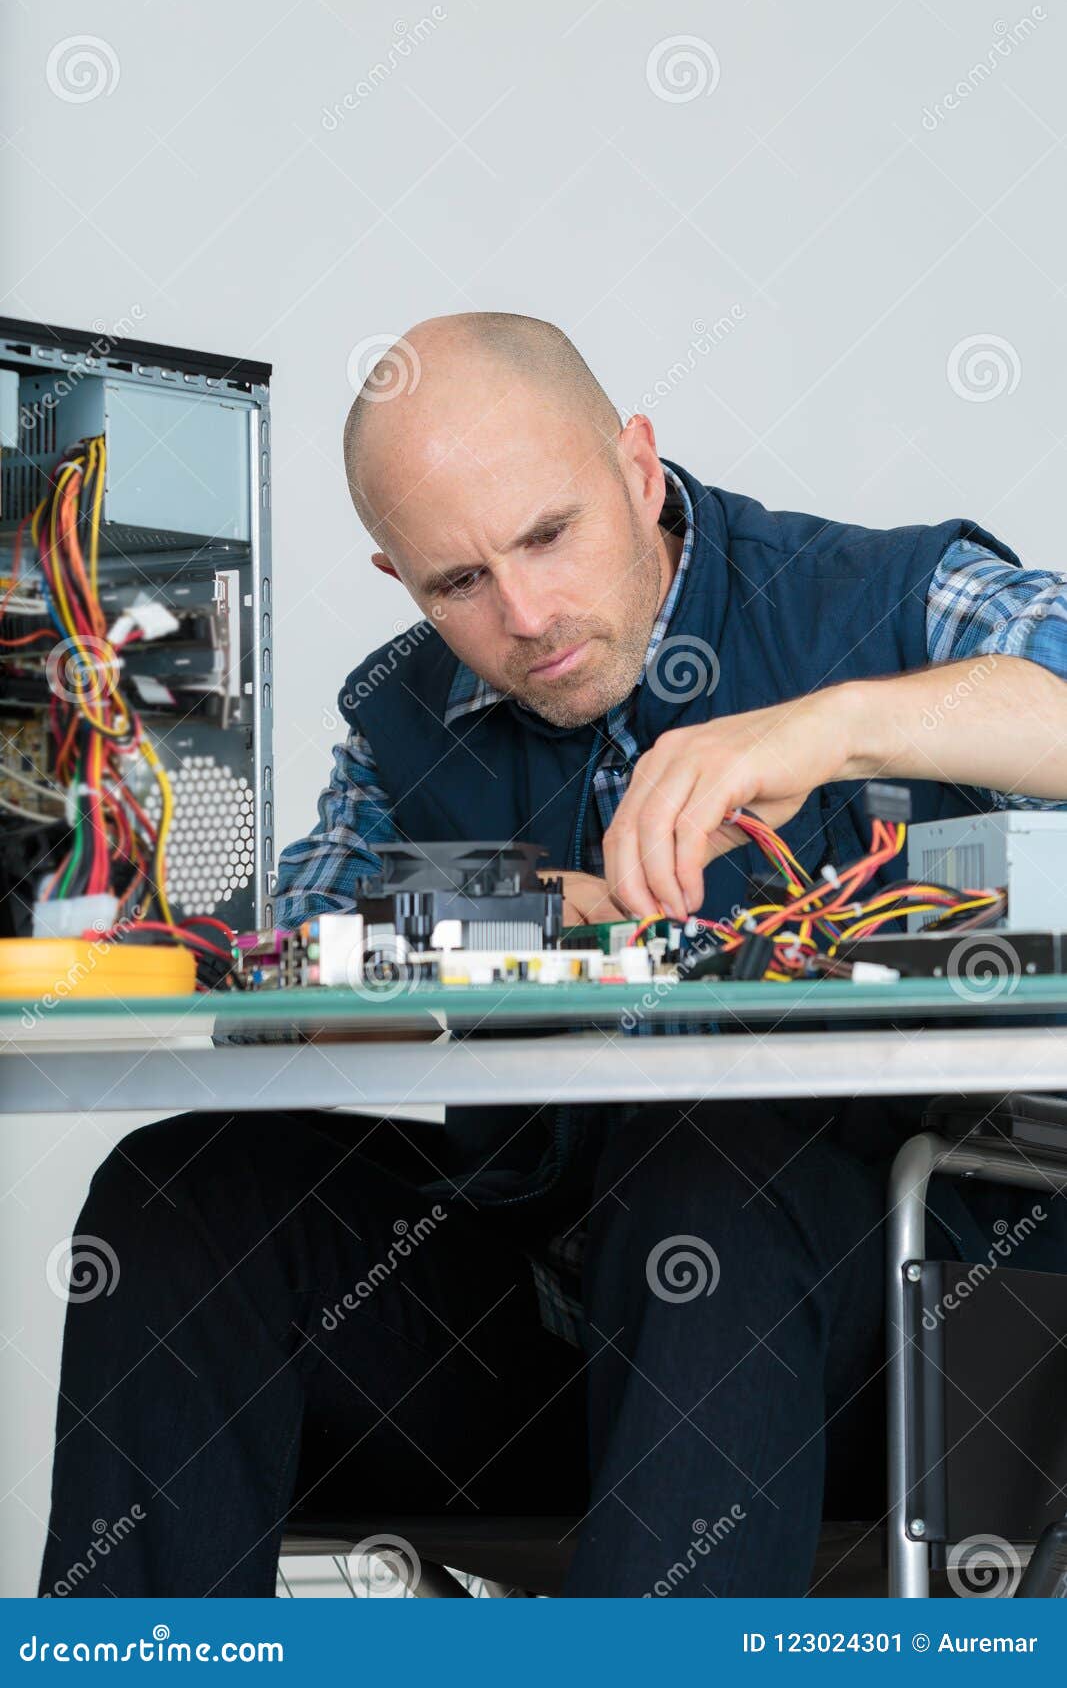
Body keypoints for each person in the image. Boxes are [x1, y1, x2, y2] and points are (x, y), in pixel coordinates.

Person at [39, 312, 1067, 1598]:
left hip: (903, 1352)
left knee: (709, 1164)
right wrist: (539, 910)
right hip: (558, 1337)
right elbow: (282, 980)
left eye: (546, 534)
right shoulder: (403, 716)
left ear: (638, 468)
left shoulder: (884, 597)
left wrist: (834, 731)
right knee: (183, 1194)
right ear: (394, 577)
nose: (524, 615)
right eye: (456, 584)